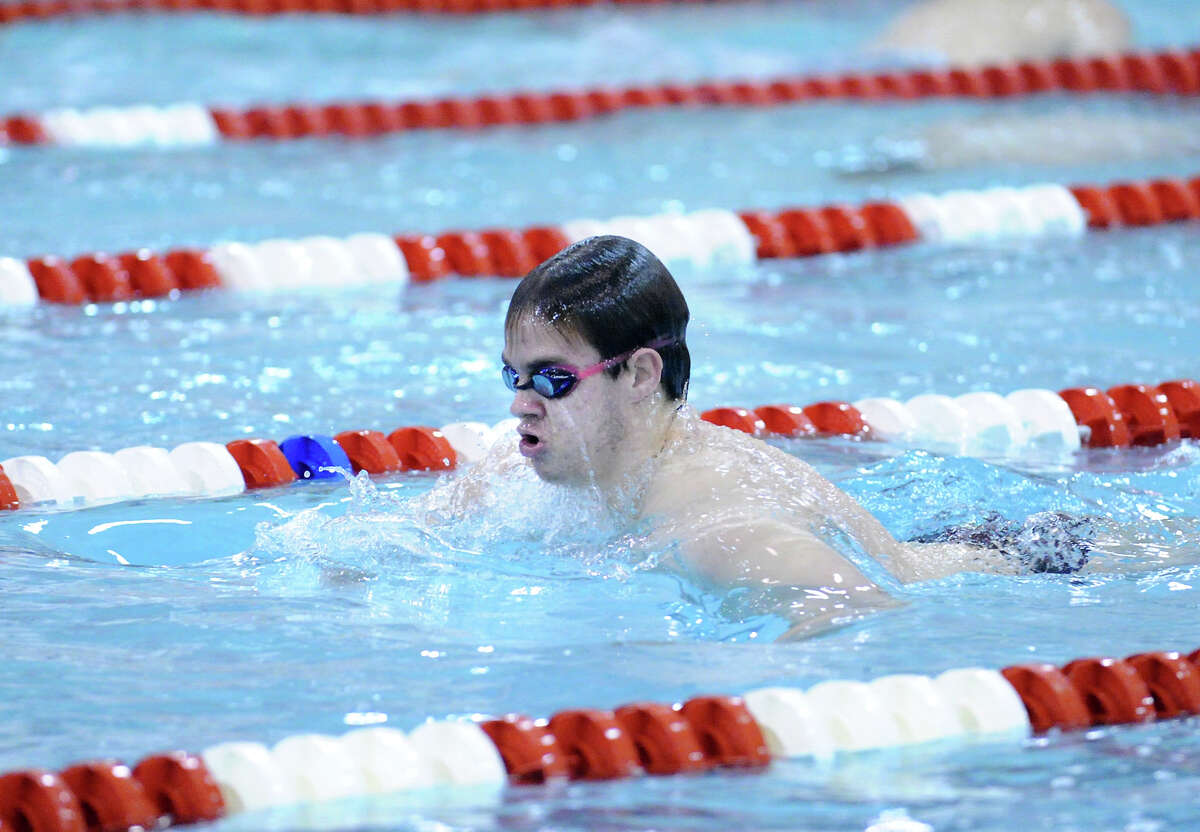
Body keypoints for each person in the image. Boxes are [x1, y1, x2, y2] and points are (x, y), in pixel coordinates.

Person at [436, 235, 1095, 637]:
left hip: (1040, 563)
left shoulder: (718, 524)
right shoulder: (516, 468)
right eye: (512, 375)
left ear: (639, 375)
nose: (520, 404)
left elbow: (863, 616)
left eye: (551, 379)